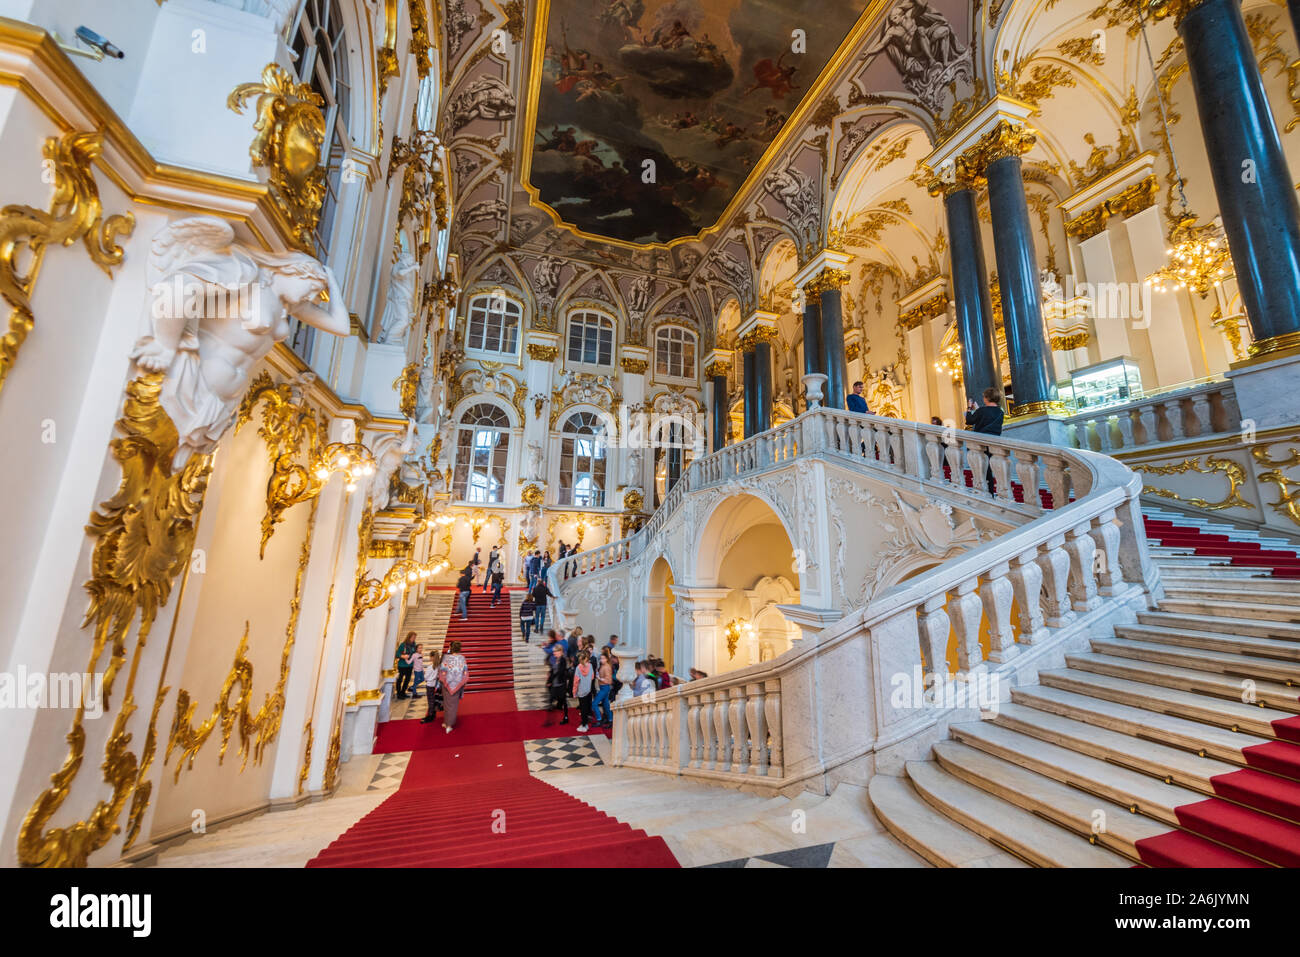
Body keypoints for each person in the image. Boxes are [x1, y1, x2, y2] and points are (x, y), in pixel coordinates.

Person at [968, 387, 1005, 494]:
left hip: (981, 443)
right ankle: (995, 491)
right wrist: (978, 409)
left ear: (987, 398)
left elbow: (970, 421)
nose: (983, 398)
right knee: (993, 467)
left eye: (984, 397)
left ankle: (987, 491)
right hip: (995, 443)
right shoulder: (1000, 412)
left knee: (983, 467)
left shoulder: (981, 411)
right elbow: (988, 417)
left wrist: (969, 408)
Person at [438, 640, 469, 733]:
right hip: (457, 685)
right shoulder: (462, 658)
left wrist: (444, 680)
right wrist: (462, 682)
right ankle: (449, 725)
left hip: (446, 684)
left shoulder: (446, 658)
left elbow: (442, 671)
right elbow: (465, 672)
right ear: (459, 649)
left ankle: (446, 722)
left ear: (451, 648)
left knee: (447, 704)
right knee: (453, 706)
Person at [542, 642, 570, 726]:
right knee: (552, 697)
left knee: (563, 700)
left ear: (560, 651)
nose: (554, 653)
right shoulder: (556, 659)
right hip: (555, 683)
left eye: (555, 652)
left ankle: (566, 717)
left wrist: (551, 679)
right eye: (553, 652)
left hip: (561, 684)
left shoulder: (563, 660)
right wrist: (549, 679)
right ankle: (549, 719)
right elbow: (553, 670)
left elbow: (560, 672)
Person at [572, 650, 596, 733]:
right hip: (588, 689)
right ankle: (585, 723)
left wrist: (574, 692)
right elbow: (592, 677)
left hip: (581, 691)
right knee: (587, 707)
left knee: (582, 709)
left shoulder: (578, 668)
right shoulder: (590, 665)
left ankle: (584, 725)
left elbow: (576, 681)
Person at [420, 650, 444, 724]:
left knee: (430, 701)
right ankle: (433, 714)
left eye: (430, 656)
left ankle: (430, 716)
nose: (429, 657)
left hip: (429, 685)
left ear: (432, 657)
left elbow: (426, 677)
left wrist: (425, 676)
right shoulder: (438, 666)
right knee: (433, 700)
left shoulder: (430, 666)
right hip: (434, 685)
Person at [592, 649, 614, 729]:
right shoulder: (603, 666)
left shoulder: (607, 667)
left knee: (594, 703)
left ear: (607, 659)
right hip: (603, 687)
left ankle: (599, 720)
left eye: (603, 658)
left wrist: (599, 678)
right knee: (606, 705)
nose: (601, 660)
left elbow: (609, 680)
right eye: (601, 658)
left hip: (605, 688)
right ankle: (611, 721)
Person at [394, 632, 417, 698]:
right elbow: (397, 654)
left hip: (409, 665)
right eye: (413, 637)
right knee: (400, 679)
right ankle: (399, 693)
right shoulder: (403, 645)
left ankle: (403, 692)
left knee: (407, 680)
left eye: (415, 638)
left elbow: (414, 654)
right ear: (409, 637)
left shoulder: (414, 645)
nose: (414, 639)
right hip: (402, 665)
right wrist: (403, 656)